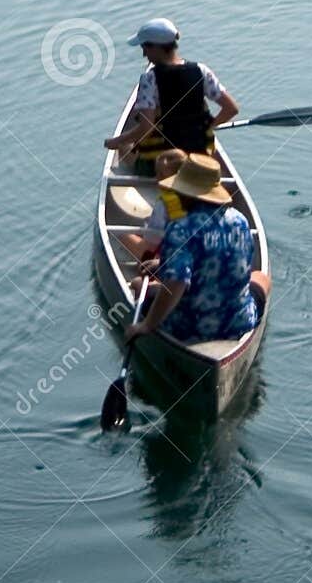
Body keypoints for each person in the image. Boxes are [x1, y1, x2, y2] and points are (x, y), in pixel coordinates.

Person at [125, 154, 270, 347]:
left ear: (187, 193)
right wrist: (164, 264)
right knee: (261, 277)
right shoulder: (240, 221)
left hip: (189, 328)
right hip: (237, 324)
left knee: (138, 284)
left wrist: (146, 326)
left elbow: (176, 284)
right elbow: (233, 266)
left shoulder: (180, 228)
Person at [103, 18, 239, 172]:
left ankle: (133, 167)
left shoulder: (149, 79)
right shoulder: (201, 71)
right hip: (199, 159)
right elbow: (231, 109)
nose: (143, 54)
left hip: (161, 163)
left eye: (144, 48)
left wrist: (117, 141)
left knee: (124, 146)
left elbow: (146, 128)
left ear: (156, 48)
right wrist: (208, 127)